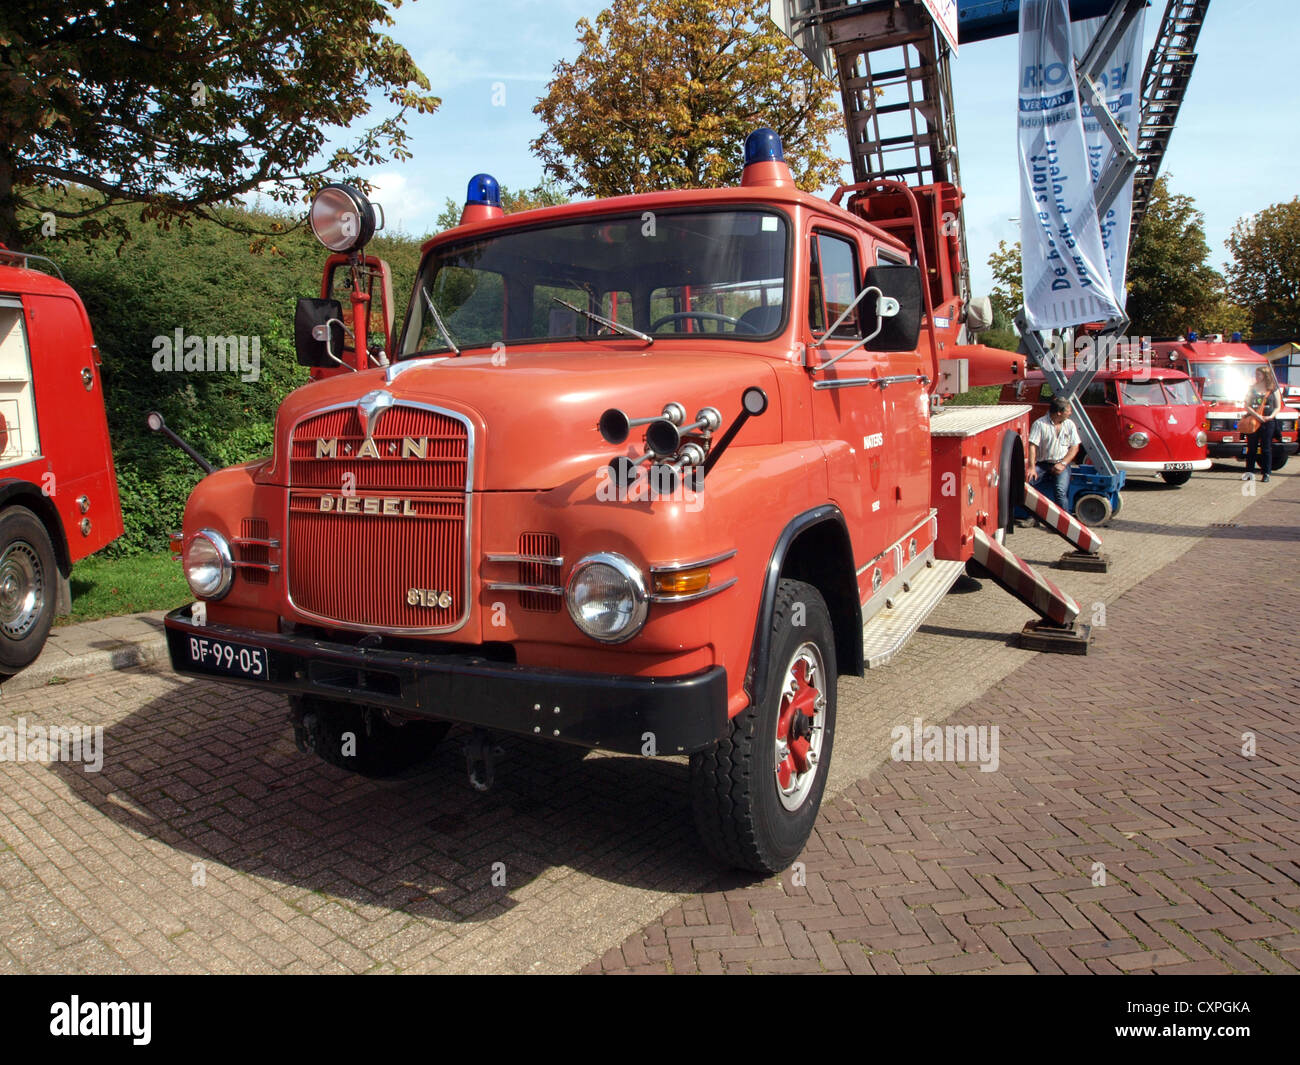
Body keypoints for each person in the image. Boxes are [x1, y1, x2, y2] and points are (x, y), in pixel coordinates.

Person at [1027, 395, 1080, 511]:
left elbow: (1075, 447)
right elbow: (1032, 446)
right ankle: (1033, 517)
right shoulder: (1039, 424)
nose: (1070, 413)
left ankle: (1065, 522)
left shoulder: (1069, 424)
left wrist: (1063, 463)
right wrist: (1031, 467)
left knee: (1060, 491)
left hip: (1062, 463)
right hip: (1042, 464)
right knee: (1028, 484)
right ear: (1059, 413)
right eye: (1068, 411)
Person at [1243, 365, 1280, 482]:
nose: (1256, 377)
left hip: (1268, 422)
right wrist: (1257, 415)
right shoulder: (1251, 388)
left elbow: (1278, 407)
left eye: (1259, 374)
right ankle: (1249, 472)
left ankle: (1266, 473)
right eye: (1256, 374)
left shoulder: (1273, 389)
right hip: (1254, 421)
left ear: (1265, 375)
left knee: (1266, 448)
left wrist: (1271, 416)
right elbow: (1247, 405)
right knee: (1251, 447)